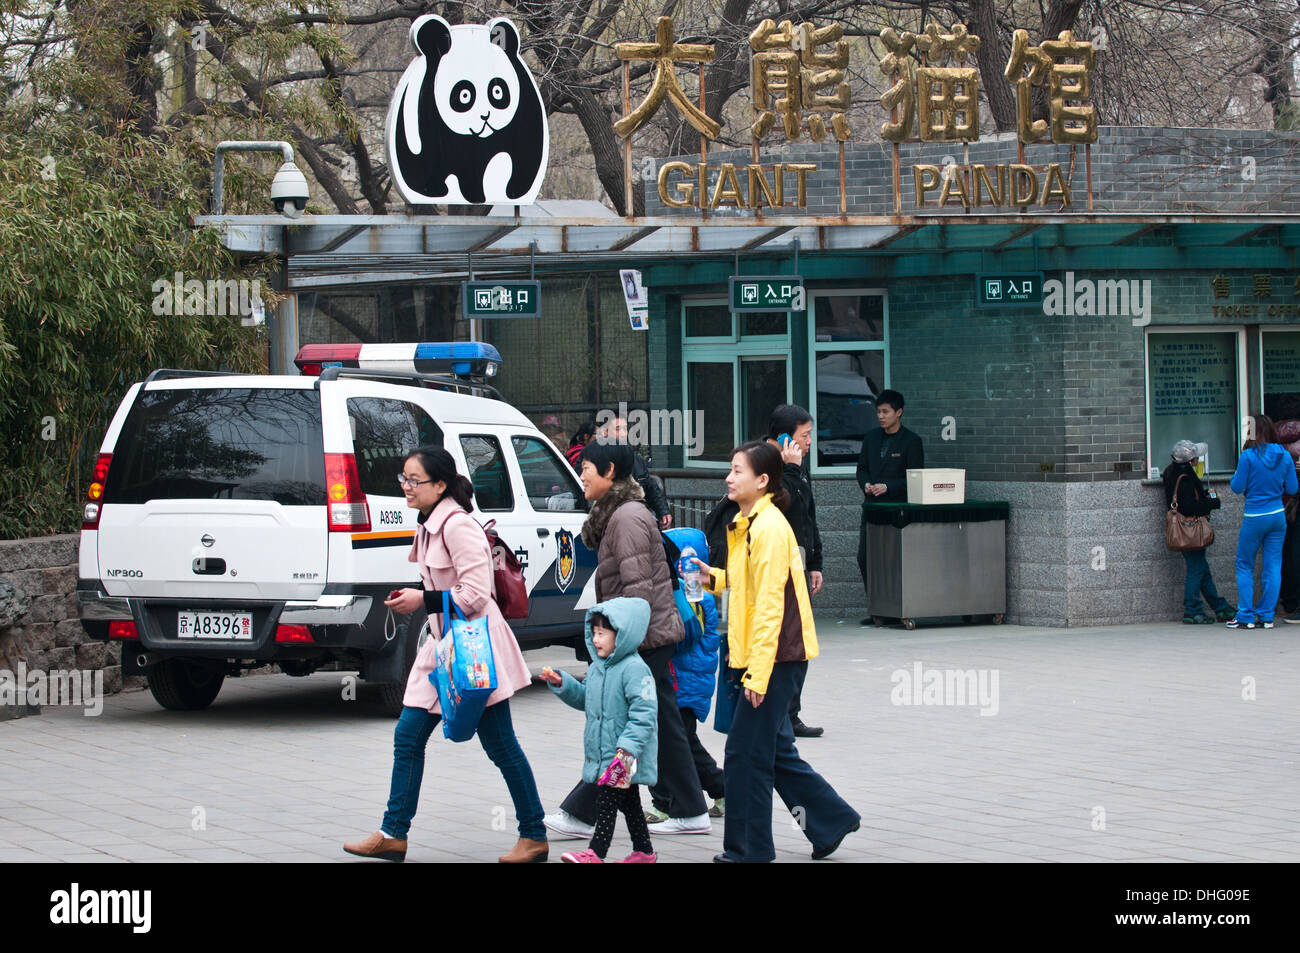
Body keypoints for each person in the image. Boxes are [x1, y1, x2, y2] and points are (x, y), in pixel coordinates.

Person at [343, 447, 547, 864]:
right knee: (408, 736)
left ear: (439, 485)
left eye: (414, 480)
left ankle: (534, 836)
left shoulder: (458, 526)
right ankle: (393, 833)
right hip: (443, 648)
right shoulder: (430, 523)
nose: (406, 487)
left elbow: (476, 595)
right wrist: (417, 597)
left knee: (501, 745)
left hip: (474, 652)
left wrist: (423, 599)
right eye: (403, 478)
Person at [694, 441, 861, 863]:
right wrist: (710, 577)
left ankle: (749, 852)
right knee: (773, 751)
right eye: (729, 470)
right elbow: (742, 581)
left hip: (773, 657)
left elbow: (770, 607)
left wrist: (757, 674)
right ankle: (831, 821)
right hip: (765, 655)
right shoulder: (750, 521)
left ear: (762, 481)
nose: (728, 478)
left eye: (737, 471)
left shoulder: (768, 528)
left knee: (745, 756)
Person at [543, 442, 710, 838]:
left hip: (643, 637)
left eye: (585, 467)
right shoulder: (616, 514)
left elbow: (639, 593)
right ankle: (689, 809)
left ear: (610, 471)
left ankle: (583, 813)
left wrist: (619, 644)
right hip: (645, 635)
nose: (580, 474)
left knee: (621, 724)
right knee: (661, 724)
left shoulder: (628, 518)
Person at [539, 599, 659, 863]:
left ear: (623, 635)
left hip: (625, 753)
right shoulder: (597, 668)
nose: (595, 639)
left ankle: (595, 853)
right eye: (593, 633)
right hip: (606, 751)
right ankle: (645, 852)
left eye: (602, 633)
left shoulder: (635, 670)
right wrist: (564, 684)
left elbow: (645, 714)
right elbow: (587, 700)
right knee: (630, 804)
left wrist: (627, 747)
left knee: (606, 804)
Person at [646, 528, 724, 824]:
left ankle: (670, 800)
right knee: (677, 745)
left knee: (675, 745)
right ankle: (712, 789)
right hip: (682, 683)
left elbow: (689, 636)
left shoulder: (691, 593)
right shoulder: (682, 589)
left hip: (684, 685)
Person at [766, 404, 825, 738]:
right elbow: (781, 503)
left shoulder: (798, 464)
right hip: (774, 570)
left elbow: (808, 514)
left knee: (800, 642)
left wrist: (815, 563)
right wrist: (790, 469)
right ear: (786, 437)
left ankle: (791, 711)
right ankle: (780, 713)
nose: (809, 443)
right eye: (805, 436)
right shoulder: (763, 464)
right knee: (782, 643)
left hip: (799, 565)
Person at [855, 390, 923, 625]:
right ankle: (877, 609)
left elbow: (915, 478)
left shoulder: (912, 442)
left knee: (894, 560)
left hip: (896, 511)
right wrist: (866, 484)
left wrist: (888, 487)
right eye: (879, 412)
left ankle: (897, 609)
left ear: (899, 413)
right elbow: (861, 468)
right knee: (865, 557)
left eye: (886, 412)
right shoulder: (871, 438)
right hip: (872, 508)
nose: (881, 417)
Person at [1227, 416, 1297, 629]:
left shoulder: (1248, 456)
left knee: (1244, 564)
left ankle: (1246, 616)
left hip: (1254, 517)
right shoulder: (1285, 456)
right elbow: (1293, 489)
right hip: (1277, 515)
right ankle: (1266, 616)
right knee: (1273, 565)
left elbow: (1237, 487)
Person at [1161, 440, 1233, 624]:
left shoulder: (1171, 471)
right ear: (1189, 460)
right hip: (1190, 528)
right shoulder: (1184, 475)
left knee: (1202, 570)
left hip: (1185, 528)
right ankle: (1192, 609)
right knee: (1196, 569)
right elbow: (1188, 506)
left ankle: (1220, 607)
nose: (1198, 460)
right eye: (1195, 458)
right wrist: (1212, 502)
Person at [599, 415, 672, 529]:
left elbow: (650, 487)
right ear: (605, 432)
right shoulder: (594, 460)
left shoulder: (637, 460)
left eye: (625, 429)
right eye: (618, 429)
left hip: (638, 520)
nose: (623, 434)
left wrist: (662, 511)